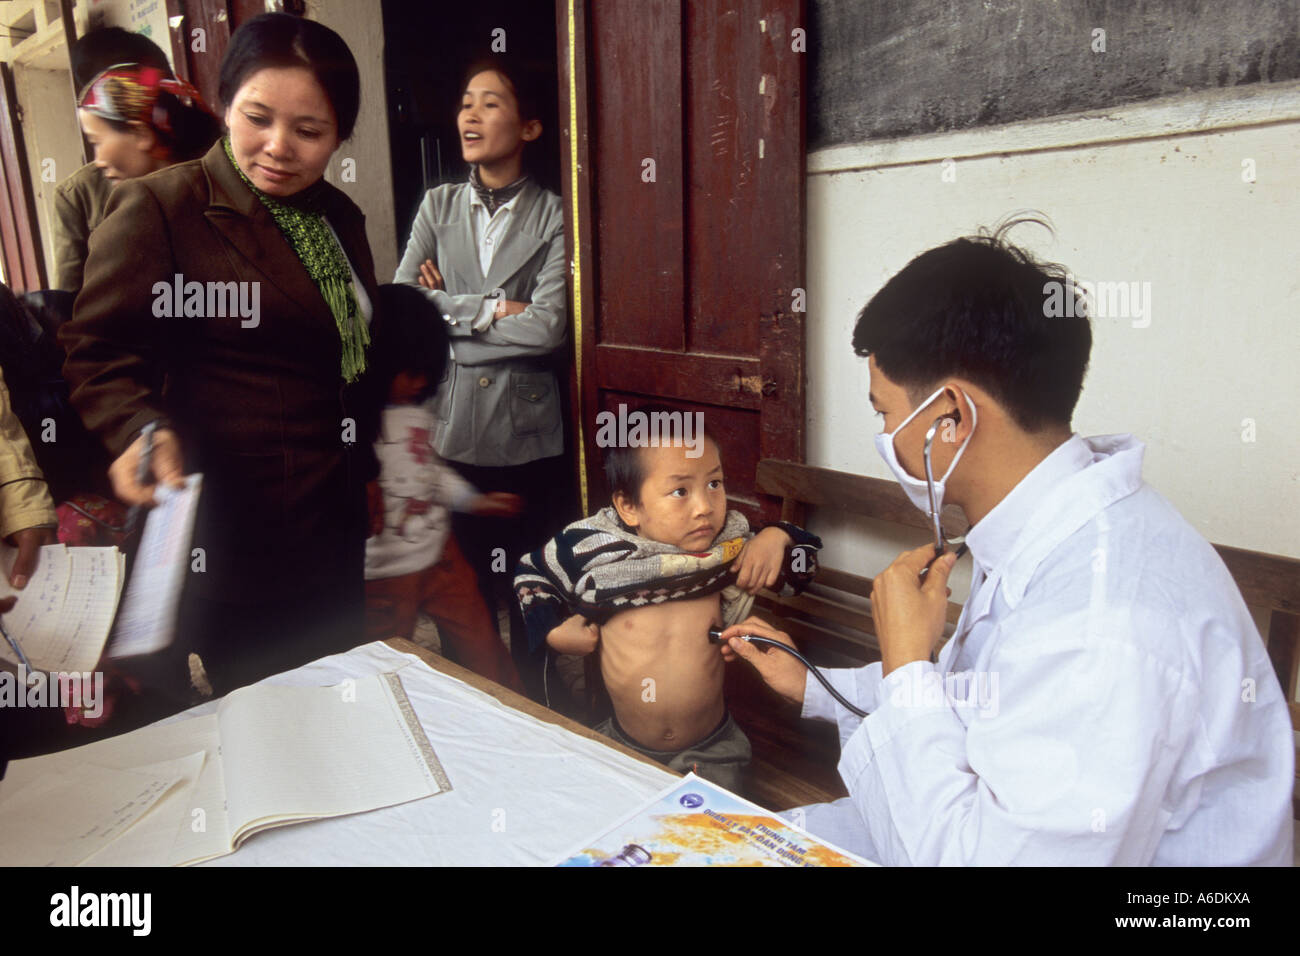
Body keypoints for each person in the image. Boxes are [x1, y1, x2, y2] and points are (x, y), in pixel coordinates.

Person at [721, 222, 1295, 864]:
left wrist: (909, 665)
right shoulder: (1056, 522)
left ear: (951, 419)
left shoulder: (1102, 624)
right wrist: (816, 686)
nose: (884, 436)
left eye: (885, 414)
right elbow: (990, 704)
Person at [59, 13, 381, 701]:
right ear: (226, 102)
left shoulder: (338, 220)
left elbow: (351, 360)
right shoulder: (162, 209)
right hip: (240, 538)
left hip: (332, 524)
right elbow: (95, 349)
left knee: (342, 701)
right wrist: (138, 429)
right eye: (257, 117)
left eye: (310, 131)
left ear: (340, 137)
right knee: (274, 719)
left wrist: (370, 472)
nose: (278, 147)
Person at [515, 412, 822, 791]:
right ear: (629, 507)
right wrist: (553, 630)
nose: (704, 507)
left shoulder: (727, 548)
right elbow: (532, 574)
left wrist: (779, 537)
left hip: (713, 749)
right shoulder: (596, 551)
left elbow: (799, 575)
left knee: (713, 831)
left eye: (714, 483)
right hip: (623, 743)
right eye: (680, 491)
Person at [394, 57, 569, 700]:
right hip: (455, 424)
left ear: (529, 127)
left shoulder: (554, 213)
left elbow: (549, 328)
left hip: (527, 432)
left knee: (530, 581)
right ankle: (478, 695)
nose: (470, 114)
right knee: (465, 591)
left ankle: (543, 696)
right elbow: (403, 307)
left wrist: (452, 321)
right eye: (466, 101)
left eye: (489, 103)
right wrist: (492, 308)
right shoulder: (438, 205)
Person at [364, 284, 525, 692]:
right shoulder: (355, 423)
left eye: (427, 372)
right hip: (382, 576)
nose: (420, 382)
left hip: (441, 557)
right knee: (381, 669)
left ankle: (508, 707)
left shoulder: (416, 413)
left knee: (484, 647)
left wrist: (474, 500)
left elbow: (431, 473)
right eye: (410, 371)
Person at [52, 27, 219, 293]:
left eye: (151, 82)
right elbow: (71, 302)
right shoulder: (79, 194)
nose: (145, 95)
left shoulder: (222, 164)